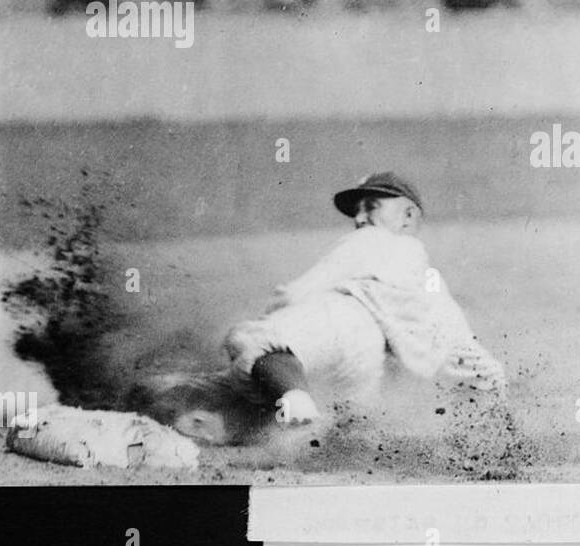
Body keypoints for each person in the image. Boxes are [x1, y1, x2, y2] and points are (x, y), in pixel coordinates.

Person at [169, 171, 506, 444]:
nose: (359, 218)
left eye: (370, 206)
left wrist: (267, 338)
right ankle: (274, 422)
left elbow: (294, 294)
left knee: (255, 341)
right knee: (312, 428)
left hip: (346, 325)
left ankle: (289, 394)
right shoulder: (431, 281)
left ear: (407, 215)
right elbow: (472, 359)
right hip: (368, 381)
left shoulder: (374, 239)